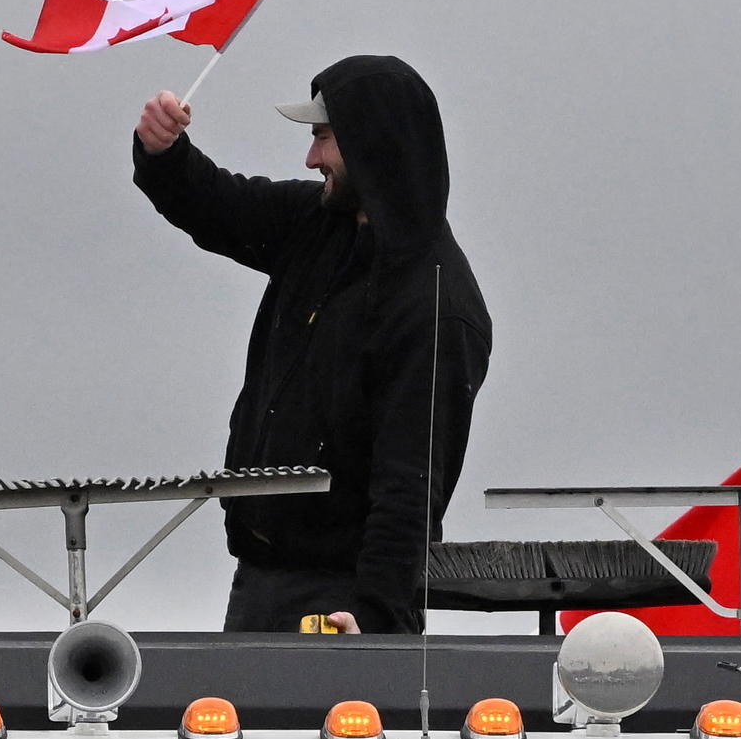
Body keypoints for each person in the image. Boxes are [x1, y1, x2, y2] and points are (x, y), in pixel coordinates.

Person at [129, 57, 493, 633]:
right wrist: (164, 152)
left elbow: (411, 486)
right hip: (260, 576)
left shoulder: (436, 306)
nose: (310, 158)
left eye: (323, 139)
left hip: (344, 599)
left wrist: (374, 618)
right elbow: (214, 202)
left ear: (372, 146)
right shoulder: (316, 222)